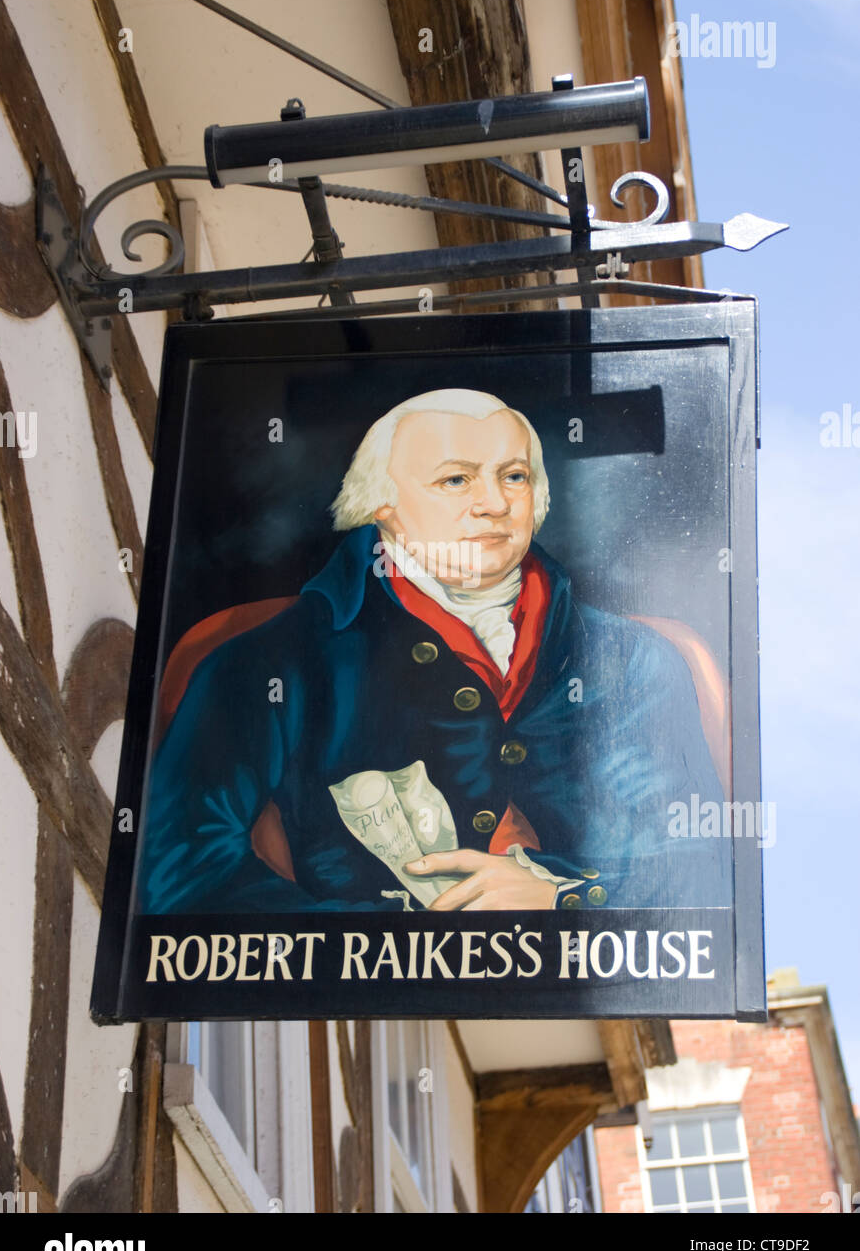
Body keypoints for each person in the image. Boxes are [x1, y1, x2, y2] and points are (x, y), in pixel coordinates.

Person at [137, 388, 730, 914]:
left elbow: (704, 867)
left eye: (514, 476)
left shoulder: (637, 661)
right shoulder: (272, 663)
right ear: (383, 505)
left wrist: (565, 896)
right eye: (456, 480)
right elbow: (179, 873)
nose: (494, 503)